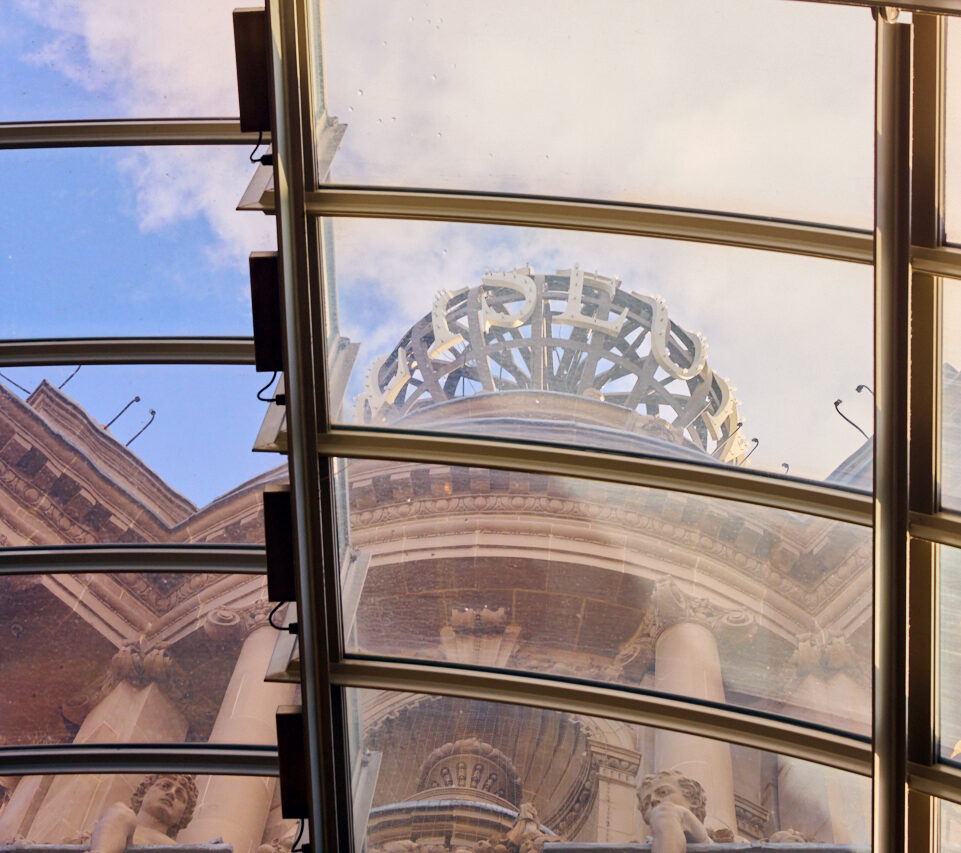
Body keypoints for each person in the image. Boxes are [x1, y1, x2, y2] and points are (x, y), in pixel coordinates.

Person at [90, 774, 198, 853]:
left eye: (179, 796)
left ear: (182, 816)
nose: (171, 793)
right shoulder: (115, 819)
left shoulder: (177, 849)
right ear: (144, 792)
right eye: (165, 786)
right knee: (121, 812)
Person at [637, 770, 711, 853]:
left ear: (694, 802)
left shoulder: (666, 812)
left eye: (663, 792)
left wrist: (665, 813)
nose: (653, 800)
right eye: (646, 803)